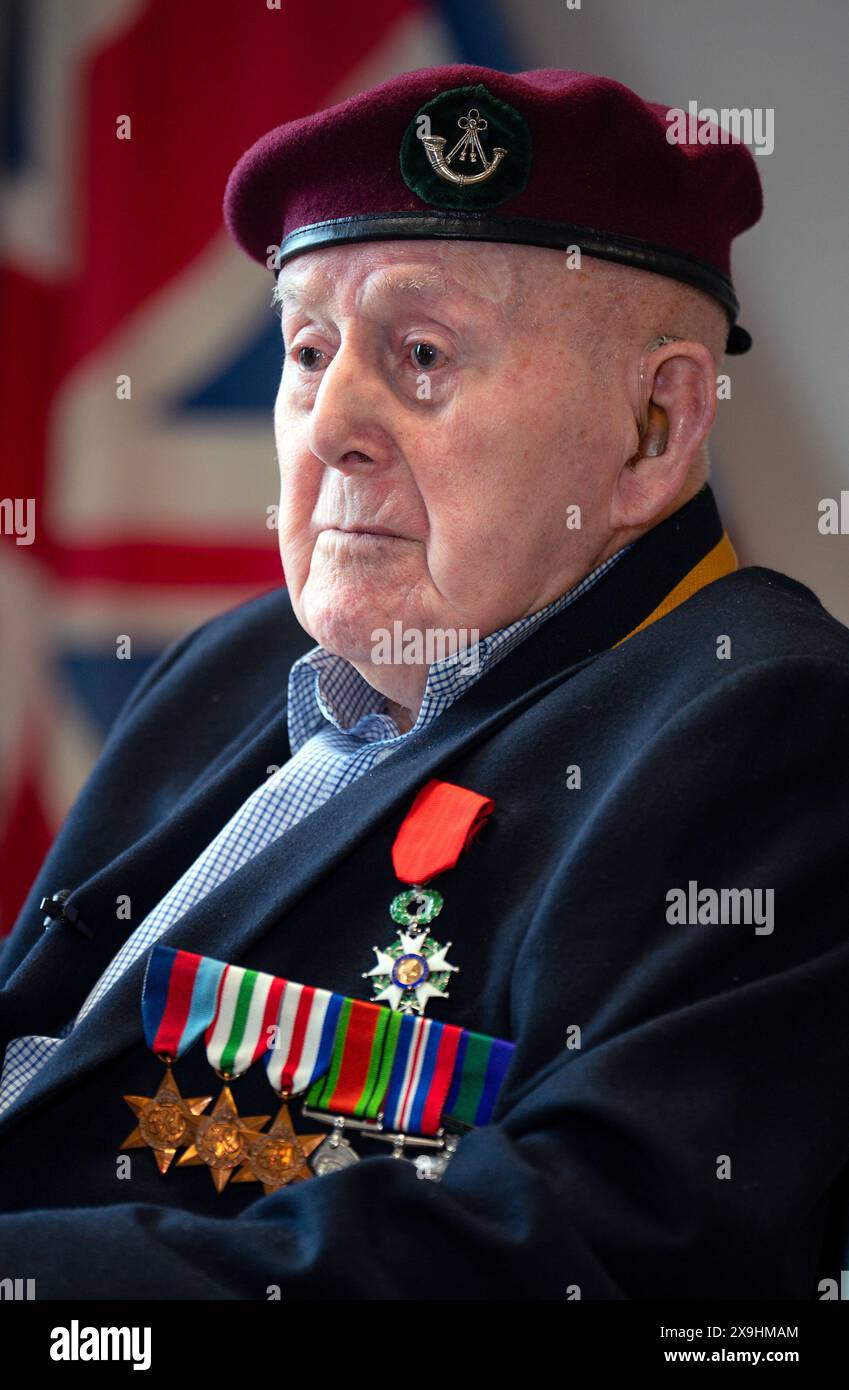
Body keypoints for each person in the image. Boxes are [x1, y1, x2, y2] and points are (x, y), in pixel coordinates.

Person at [0, 64, 847, 1301]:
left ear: (655, 427)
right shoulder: (234, 666)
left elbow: (586, 1255)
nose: (330, 420)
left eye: (423, 353)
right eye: (305, 350)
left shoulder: (769, 729)